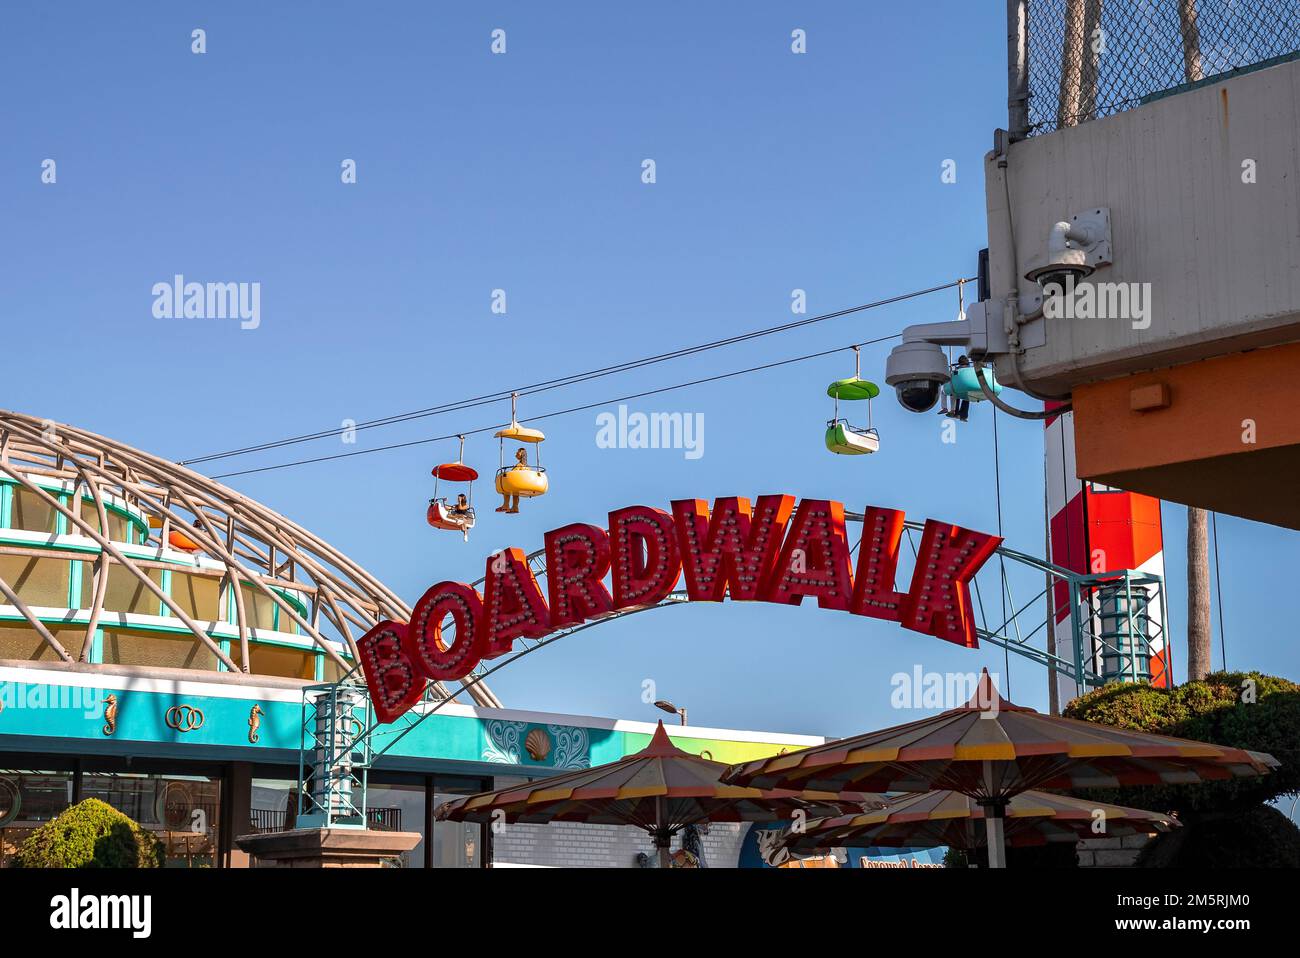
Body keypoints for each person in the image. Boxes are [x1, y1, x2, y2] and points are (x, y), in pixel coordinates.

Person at [496, 447, 529, 514]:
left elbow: (513, 473)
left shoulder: (519, 465)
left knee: (506, 488)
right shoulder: (527, 466)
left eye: (518, 452)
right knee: (515, 493)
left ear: (522, 454)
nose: (516, 453)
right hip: (523, 482)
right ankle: (515, 507)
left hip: (517, 481)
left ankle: (506, 505)